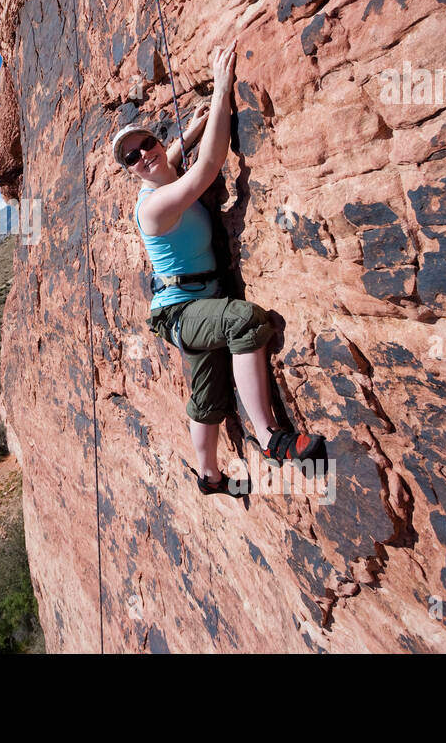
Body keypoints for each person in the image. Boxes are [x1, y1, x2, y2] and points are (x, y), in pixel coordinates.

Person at [113, 39, 324, 496]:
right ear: (129, 171)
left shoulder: (162, 168)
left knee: (208, 398)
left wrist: (188, 131)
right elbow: (206, 169)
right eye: (132, 157)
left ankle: (208, 478)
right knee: (244, 320)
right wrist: (224, 88)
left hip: (198, 301)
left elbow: (171, 156)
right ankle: (271, 439)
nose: (144, 155)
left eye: (145, 143)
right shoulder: (153, 205)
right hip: (181, 313)